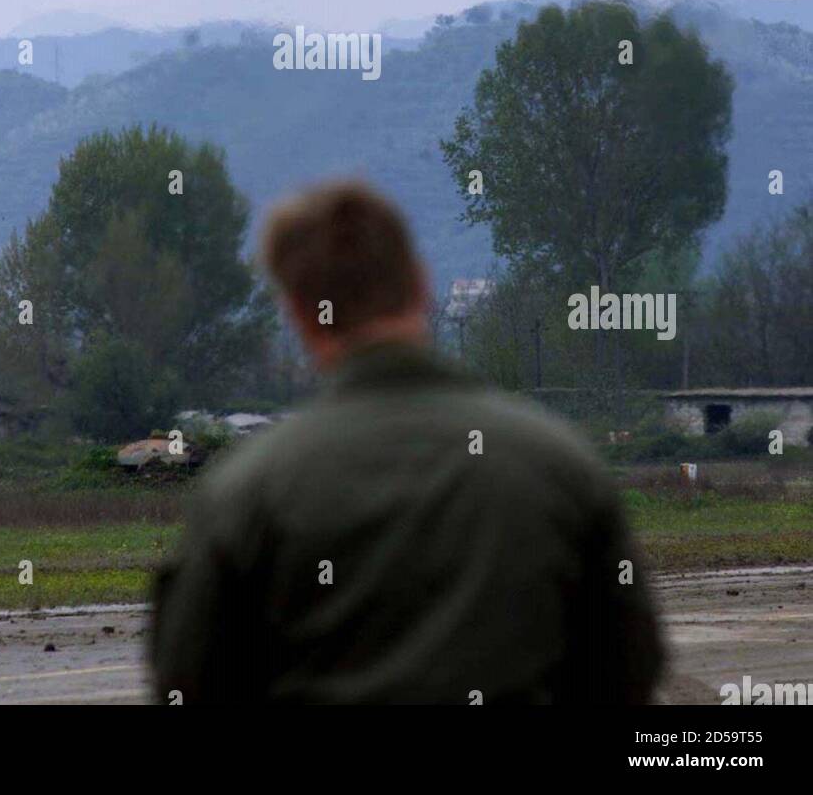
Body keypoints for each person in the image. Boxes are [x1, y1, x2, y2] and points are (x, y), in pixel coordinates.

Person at [150, 180, 664, 705]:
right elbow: (628, 670)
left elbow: (189, 682)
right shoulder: (560, 463)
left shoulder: (245, 491)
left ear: (299, 312)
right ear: (421, 284)